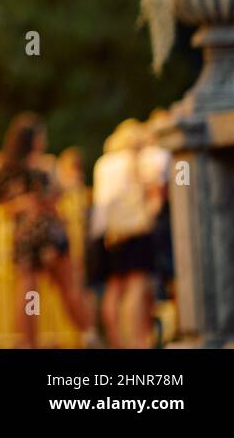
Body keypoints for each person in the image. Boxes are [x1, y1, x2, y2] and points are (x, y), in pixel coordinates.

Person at [0, 112, 93, 347]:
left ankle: (28, 343)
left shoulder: (0, 165)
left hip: (24, 237)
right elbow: (54, 199)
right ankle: (89, 334)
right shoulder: (44, 165)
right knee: (69, 288)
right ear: (34, 138)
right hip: (49, 233)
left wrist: (18, 205)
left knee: (29, 294)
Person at [94, 119, 166, 348]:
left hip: (110, 234)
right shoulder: (145, 159)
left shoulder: (104, 164)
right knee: (137, 284)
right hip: (137, 230)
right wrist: (152, 215)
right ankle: (136, 341)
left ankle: (117, 341)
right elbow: (157, 195)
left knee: (114, 289)